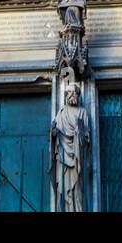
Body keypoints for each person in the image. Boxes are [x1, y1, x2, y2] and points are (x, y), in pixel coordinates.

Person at [50, 84, 90, 212]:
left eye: (73, 93)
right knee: (62, 186)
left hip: (77, 156)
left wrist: (80, 133)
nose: (71, 95)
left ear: (78, 95)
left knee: (77, 188)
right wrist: (53, 132)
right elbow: (54, 132)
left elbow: (87, 136)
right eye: (68, 93)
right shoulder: (62, 112)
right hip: (62, 156)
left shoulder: (83, 112)